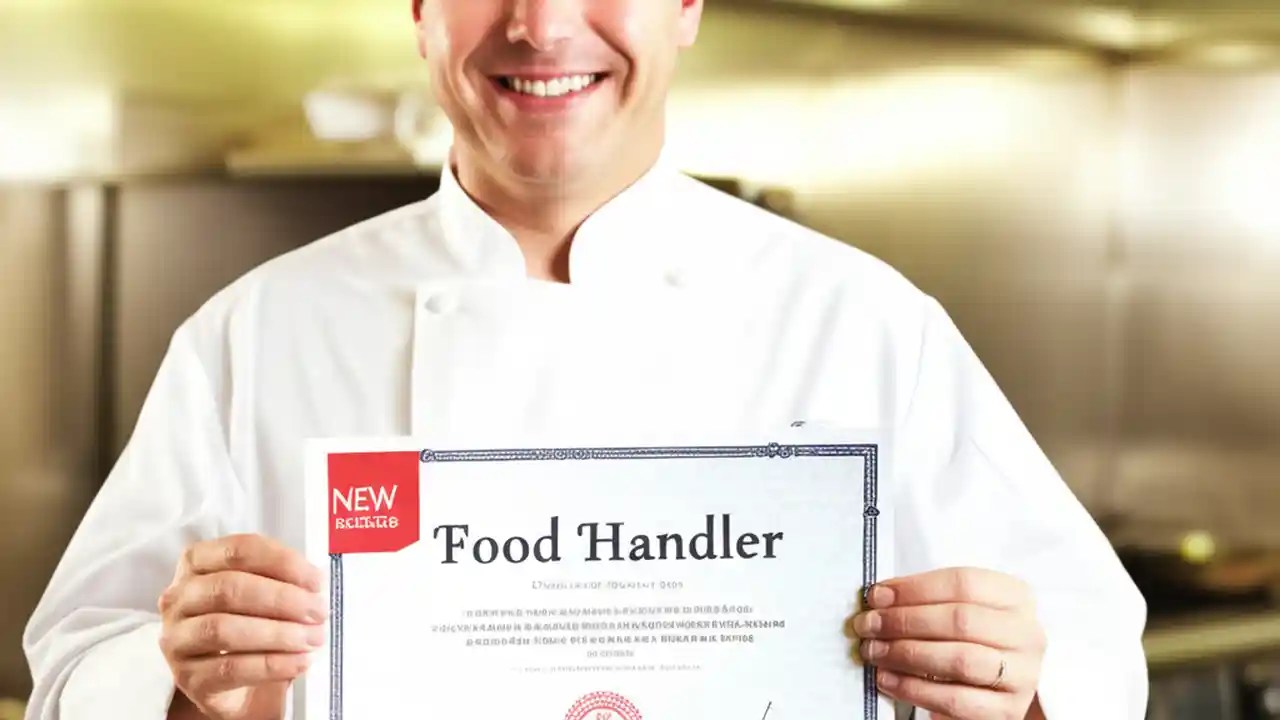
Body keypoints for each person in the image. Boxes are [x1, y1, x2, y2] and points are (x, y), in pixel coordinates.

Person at [23, 0, 1149, 718]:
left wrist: (1019, 682)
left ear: (685, 6)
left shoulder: (863, 321)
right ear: (416, 10)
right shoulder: (255, 332)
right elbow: (72, 675)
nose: (541, 24)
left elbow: (1094, 658)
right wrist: (178, 678)